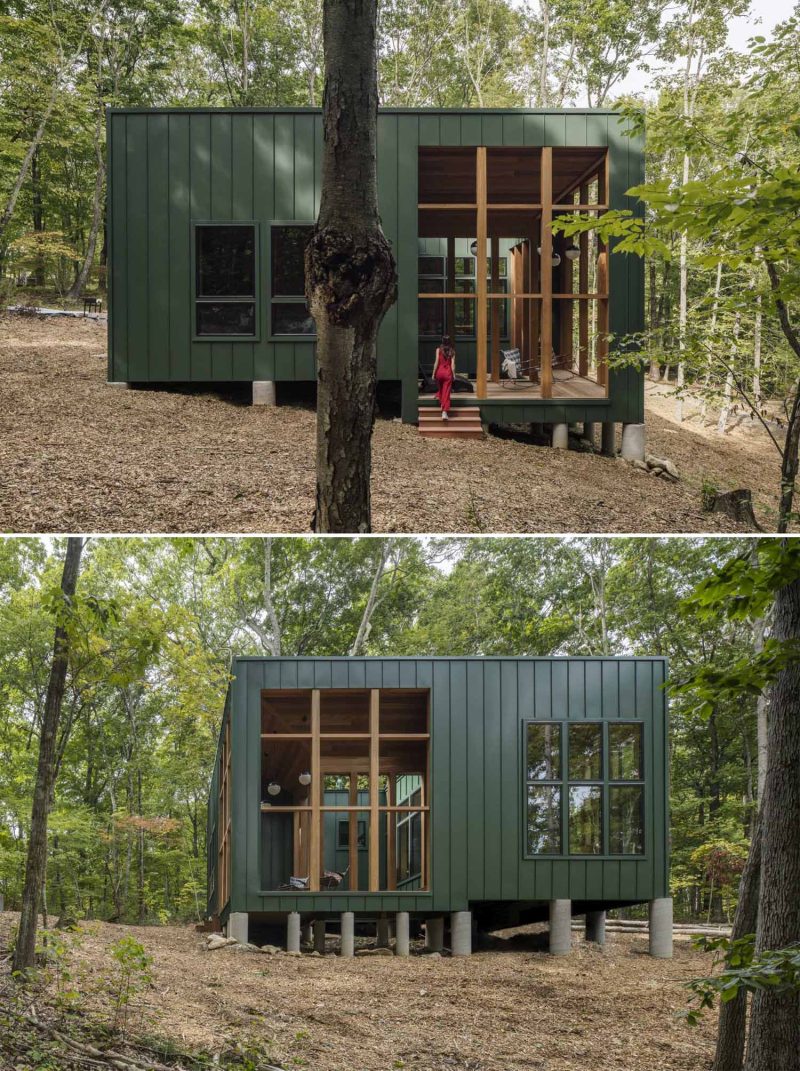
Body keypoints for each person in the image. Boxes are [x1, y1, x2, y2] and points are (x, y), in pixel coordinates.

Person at [432, 335, 456, 420]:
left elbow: (436, 363)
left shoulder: (438, 350)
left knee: (441, 390)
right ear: (449, 342)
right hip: (448, 373)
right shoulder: (452, 351)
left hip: (439, 372)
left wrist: (433, 373)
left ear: (442, 341)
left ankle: (442, 403)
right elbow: (453, 365)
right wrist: (454, 375)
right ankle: (444, 412)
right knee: (446, 392)